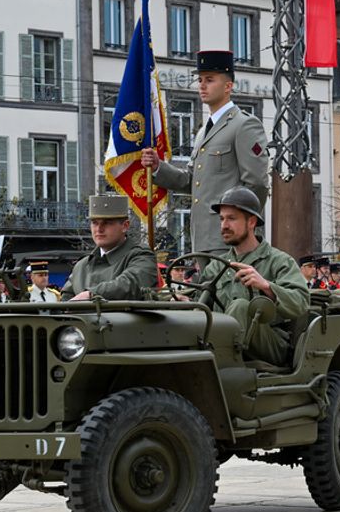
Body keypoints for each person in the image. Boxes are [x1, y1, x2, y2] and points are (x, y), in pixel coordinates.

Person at [141, 51, 269, 253]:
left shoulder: (244, 125)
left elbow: (257, 183)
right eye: (200, 80)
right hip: (202, 239)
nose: (202, 85)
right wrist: (159, 167)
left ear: (228, 86)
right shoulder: (203, 132)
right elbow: (192, 181)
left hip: (231, 241)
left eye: (210, 80)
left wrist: (243, 229)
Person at [201, 188, 310, 367]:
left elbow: (301, 302)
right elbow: (200, 307)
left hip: (270, 344)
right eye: (222, 219)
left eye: (231, 218)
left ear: (251, 222)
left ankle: (215, 365)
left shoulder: (278, 261)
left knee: (241, 307)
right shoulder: (216, 266)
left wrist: (267, 286)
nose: (224, 225)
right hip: (221, 342)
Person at [61, 195, 158, 302]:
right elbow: (65, 301)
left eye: (107, 223)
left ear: (125, 226)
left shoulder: (141, 257)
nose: (99, 229)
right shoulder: (82, 266)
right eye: (95, 223)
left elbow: (131, 285)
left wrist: (91, 294)